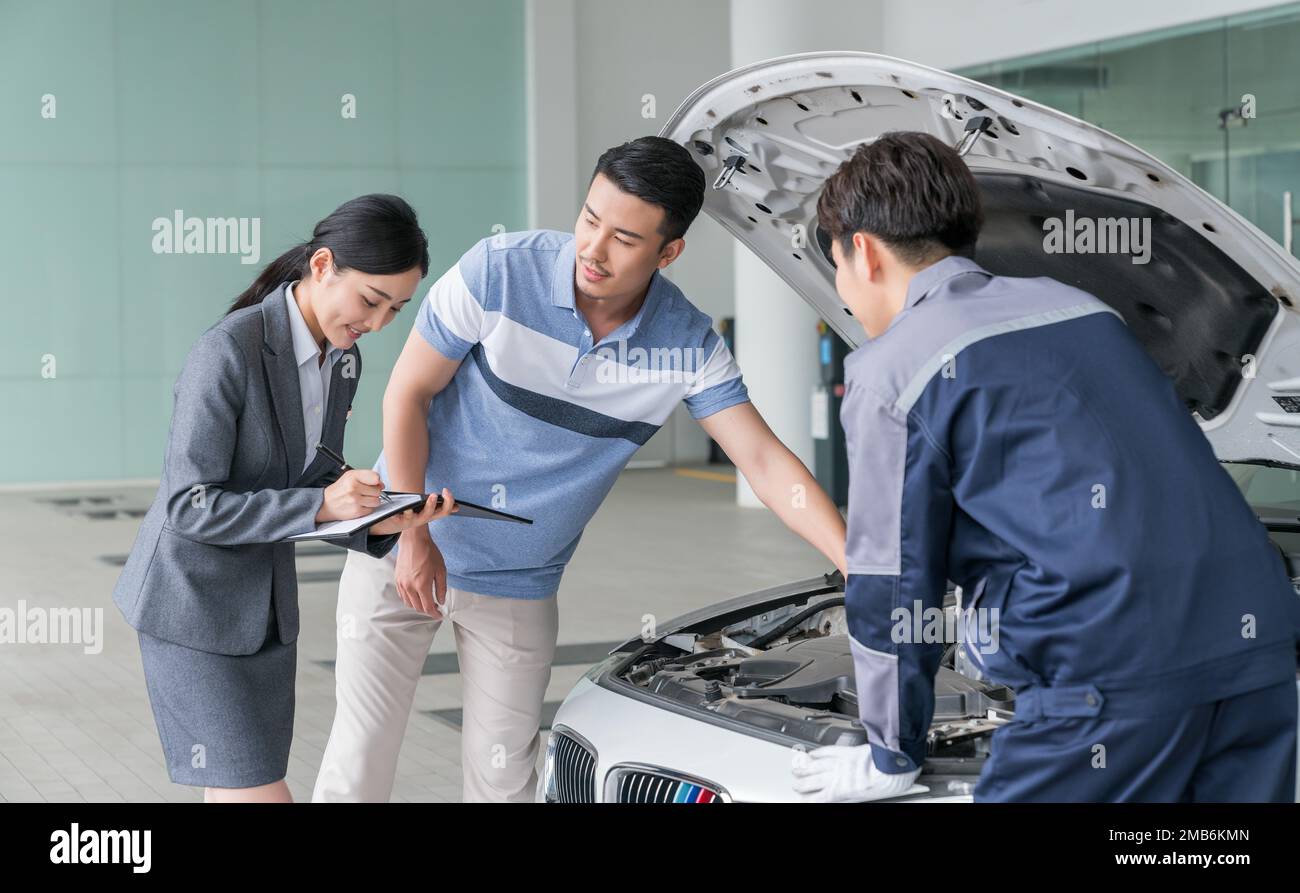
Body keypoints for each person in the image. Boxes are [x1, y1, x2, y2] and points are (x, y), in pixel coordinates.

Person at [313, 136, 850, 802]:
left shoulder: (686, 345)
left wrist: (853, 559)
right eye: (590, 218)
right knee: (359, 758)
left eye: (624, 237)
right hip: (398, 543)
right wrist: (412, 530)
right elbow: (408, 393)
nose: (593, 248)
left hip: (519, 579)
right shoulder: (497, 272)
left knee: (505, 776)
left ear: (668, 252)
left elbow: (765, 461)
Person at [791, 131, 1300, 803]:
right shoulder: (1086, 310)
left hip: (1107, 680)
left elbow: (892, 578)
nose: (846, 299)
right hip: (1258, 650)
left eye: (836, 270)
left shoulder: (891, 372)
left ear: (862, 250)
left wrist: (890, 749)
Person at [113, 194, 456, 802]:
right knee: (257, 792)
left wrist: (387, 518)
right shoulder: (227, 353)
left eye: (396, 309)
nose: (377, 324)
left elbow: (310, 481)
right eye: (371, 301)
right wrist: (326, 503)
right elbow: (188, 506)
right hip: (192, 610)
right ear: (322, 265)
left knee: (232, 791)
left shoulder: (341, 362)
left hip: (264, 612)